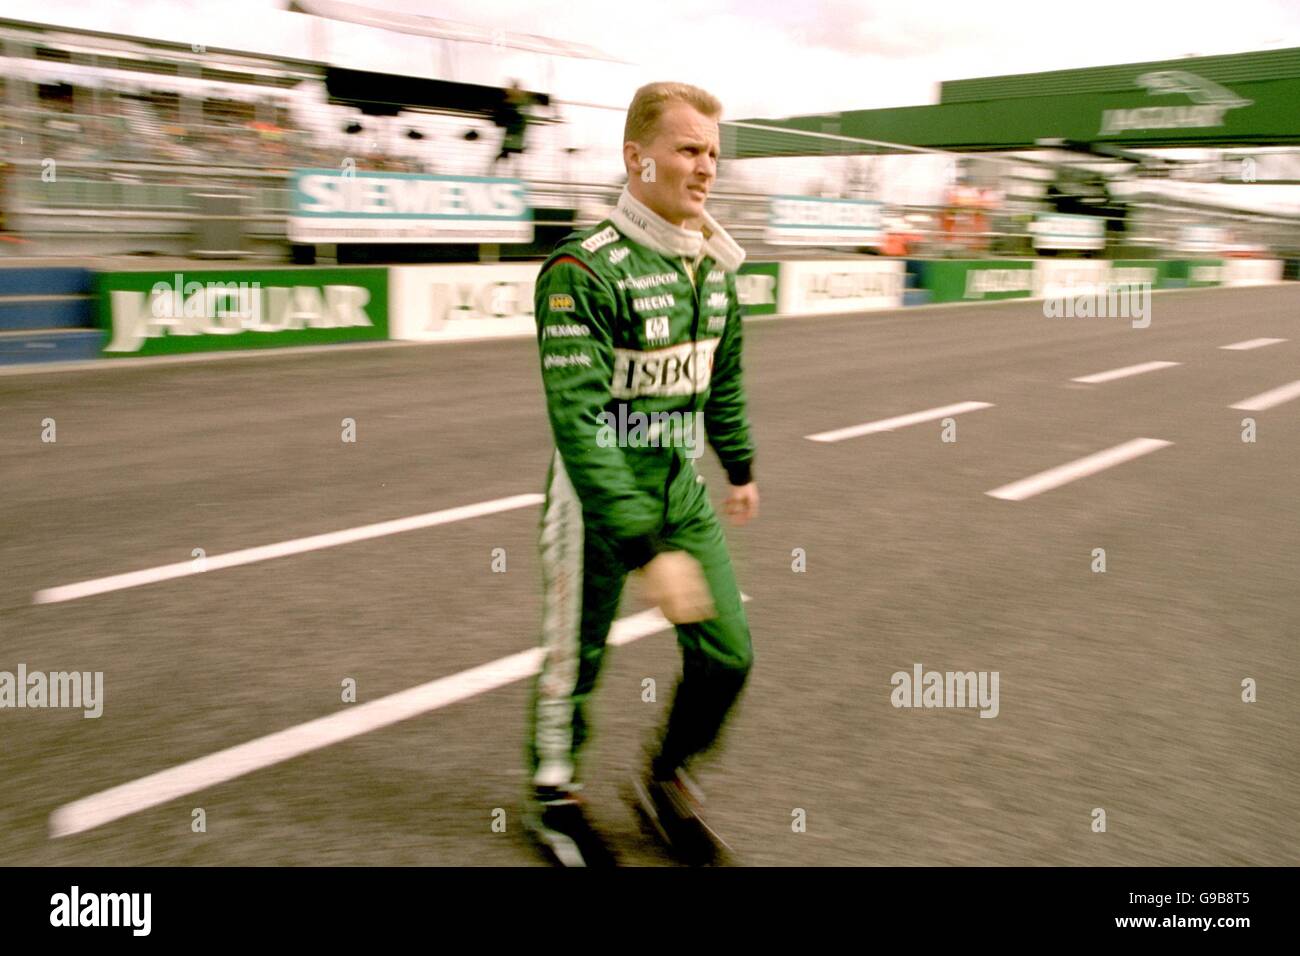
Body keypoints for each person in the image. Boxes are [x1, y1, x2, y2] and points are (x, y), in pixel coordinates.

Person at [524, 81, 759, 866]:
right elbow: (583, 425)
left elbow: (720, 383)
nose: (705, 169)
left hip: (679, 488)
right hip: (593, 500)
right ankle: (555, 798)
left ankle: (665, 780)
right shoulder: (581, 272)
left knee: (728, 654)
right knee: (576, 659)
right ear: (637, 157)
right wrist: (647, 548)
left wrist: (740, 466)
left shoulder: (717, 272)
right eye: (688, 149)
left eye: (713, 154)